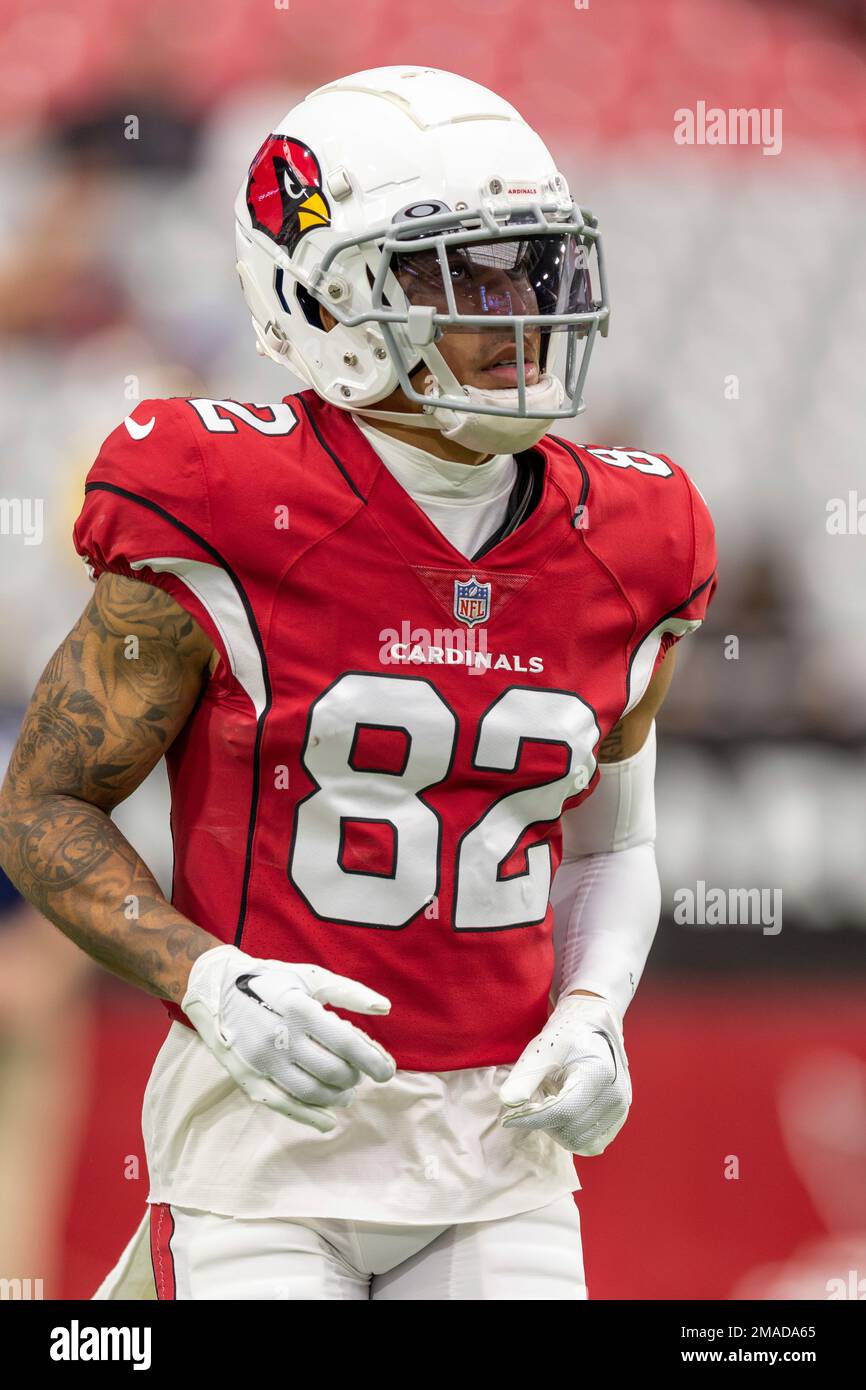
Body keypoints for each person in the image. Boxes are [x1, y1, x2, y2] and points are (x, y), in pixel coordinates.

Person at [0, 65, 716, 1300]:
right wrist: (207, 980)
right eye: (466, 275)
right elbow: (42, 803)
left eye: (531, 266)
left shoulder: (636, 532)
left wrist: (594, 1009)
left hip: (504, 1153)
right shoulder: (218, 502)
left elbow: (610, 842)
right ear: (322, 299)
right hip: (257, 1153)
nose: (521, 309)